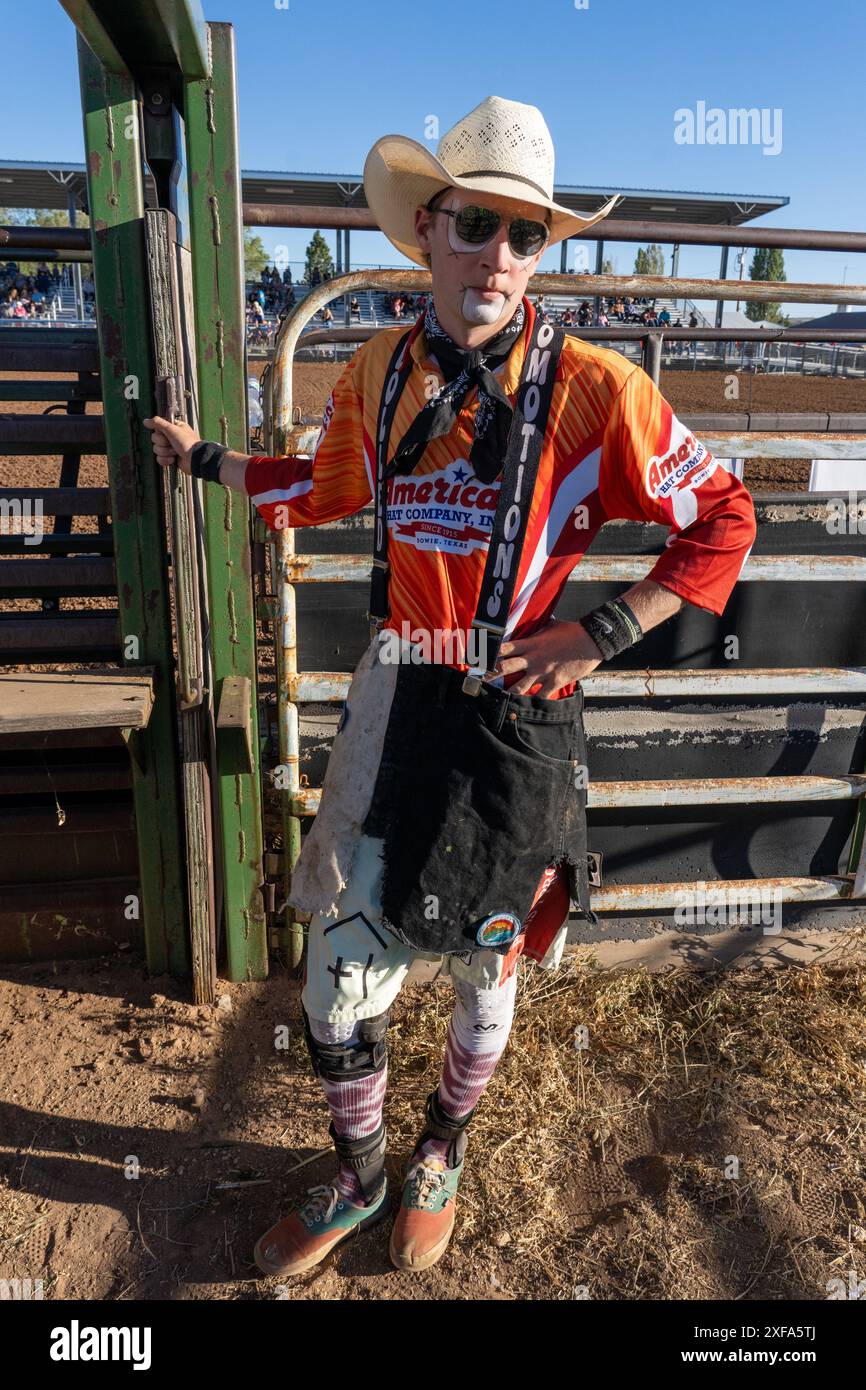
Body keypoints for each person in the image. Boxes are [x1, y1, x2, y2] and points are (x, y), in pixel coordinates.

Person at [144, 94, 756, 1279]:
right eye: (476, 224)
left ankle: (441, 1153)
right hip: (393, 702)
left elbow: (724, 515)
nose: (499, 257)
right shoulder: (375, 369)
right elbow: (318, 494)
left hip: (521, 719)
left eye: (526, 235)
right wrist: (207, 459)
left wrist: (603, 628)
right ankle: (357, 1173)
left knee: (486, 965)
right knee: (335, 981)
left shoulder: (596, 388)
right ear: (426, 228)